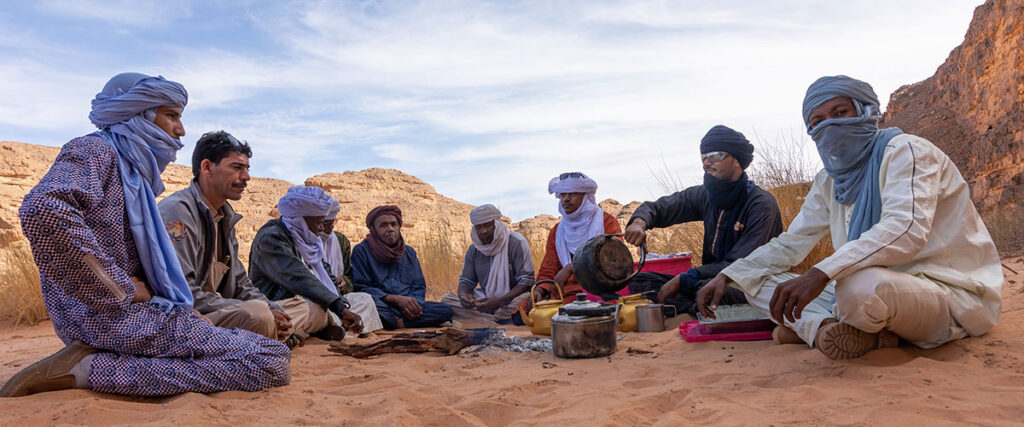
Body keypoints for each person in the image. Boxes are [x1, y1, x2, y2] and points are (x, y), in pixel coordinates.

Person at [1, 73, 289, 398]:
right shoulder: (95, 150)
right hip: (106, 315)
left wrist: (172, 306)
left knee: (262, 344)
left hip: (134, 312)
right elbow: (44, 210)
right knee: (269, 360)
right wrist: (120, 287)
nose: (180, 130)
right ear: (138, 113)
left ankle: (98, 362)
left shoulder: (135, 172)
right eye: (172, 116)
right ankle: (87, 370)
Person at [697, 75, 1003, 360]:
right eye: (817, 121)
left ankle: (828, 329)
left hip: (949, 295)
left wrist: (821, 273)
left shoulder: (906, 151)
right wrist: (729, 275)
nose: (828, 126)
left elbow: (905, 229)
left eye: (840, 112)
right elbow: (793, 242)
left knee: (859, 286)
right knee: (756, 280)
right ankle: (827, 330)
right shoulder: (828, 180)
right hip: (868, 290)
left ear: (866, 111)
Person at [623, 125, 783, 316]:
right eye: (703, 157)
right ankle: (697, 309)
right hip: (705, 279)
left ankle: (695, 309)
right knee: (641, 281)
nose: (707, 162)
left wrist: (686, 278)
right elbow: (660, 208)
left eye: (715, 156)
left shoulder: (761, 204)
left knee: (713, 289)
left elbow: (741, 264)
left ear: (737, 160)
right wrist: (640, 221)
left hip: (748, 282)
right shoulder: (704, 195)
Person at [159, 131, 294, 341]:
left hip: (219, 310)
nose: (246, 177)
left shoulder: (224, 216)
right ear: (207, 167)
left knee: (287, 310)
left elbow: (241, 283)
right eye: (237, 167)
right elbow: (180, 292)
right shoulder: (178, 211)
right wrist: (261, 311)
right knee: (257, 315)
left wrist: (274, 309)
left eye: (247, 169)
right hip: (187, 316)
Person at [248, 186, 369, 345]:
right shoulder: (271, 238)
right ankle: (294, 333)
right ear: (301, 219)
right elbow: (298, 278)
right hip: (280, 301)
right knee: (309, 307)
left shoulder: (310, 239)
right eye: (319, 223)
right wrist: (337, 306)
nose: (321, 228)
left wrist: (340, 303)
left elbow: (326, 275)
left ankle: (307, 331)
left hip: (307, 298)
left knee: (361, 300)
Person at [516, 172, 621, 318]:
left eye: (572, 194)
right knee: (522, 313)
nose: (566, 199)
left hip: (598, 290)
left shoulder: (606, 222)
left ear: (585, 196)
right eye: (562, 195)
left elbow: (615, 261)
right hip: (563, 293)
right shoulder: (557, 231)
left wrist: (572, 266)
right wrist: (540, 290)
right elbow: (548, 268)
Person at [351, 205, 454, 329]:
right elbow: (362, 287)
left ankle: (396, 322)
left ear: (399, 227)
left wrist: (412, 306)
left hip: (407, 307)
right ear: (373, 229)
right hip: (382, 304)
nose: (390, 229)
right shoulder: (361, 250)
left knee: (446, 310)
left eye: (394, 224)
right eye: (383, 225)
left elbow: (419, 286)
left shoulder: (409, 252)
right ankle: (396, 321)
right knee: (366, 303)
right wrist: (394, 299)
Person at [442, 204, 535, 323]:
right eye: (479, 227)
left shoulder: (517, 243)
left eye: (487, 226)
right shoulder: (474, 250)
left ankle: (485, 320)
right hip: (485, 300)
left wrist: (499, 302)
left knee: (527, 299)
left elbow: (526, 282)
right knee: (447, 300)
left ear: (496, 224)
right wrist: (465, 297)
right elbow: (466, 282)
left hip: (510, 300)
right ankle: (497, 320)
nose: (483, 231)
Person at [320, 200, 384, 333]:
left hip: (338, 297)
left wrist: (343, 281)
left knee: (365, 299)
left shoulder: (340, 241)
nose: (331, 226)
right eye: (326, 222)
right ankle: (338, 330)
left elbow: (349, 276)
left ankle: (346, 330)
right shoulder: (303, 241)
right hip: (316, 299)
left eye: (333, 221)